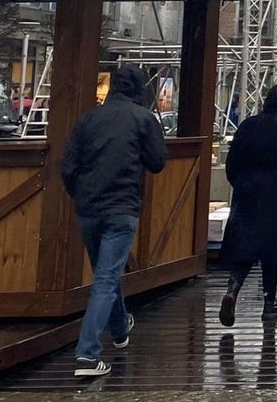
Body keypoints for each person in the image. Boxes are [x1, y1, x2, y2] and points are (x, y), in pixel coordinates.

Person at [59, 66, 168, 378]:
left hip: (89, 208)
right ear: (139, 92)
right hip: (122, 207)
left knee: (106, 273)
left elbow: (68, 167)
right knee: (106, 278)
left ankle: (120, 330)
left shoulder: (88, 119)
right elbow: (158, 162)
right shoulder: (143, 119)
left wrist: (79, 194)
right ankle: (88, 354)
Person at [219, 83, 277, 327]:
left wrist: (238, 183)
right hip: (273, 187)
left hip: (245, 188)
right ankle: (269, 303)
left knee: (245, 242)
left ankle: (233, 288)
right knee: (270, 248)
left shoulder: (248, 124)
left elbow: (231, 161)